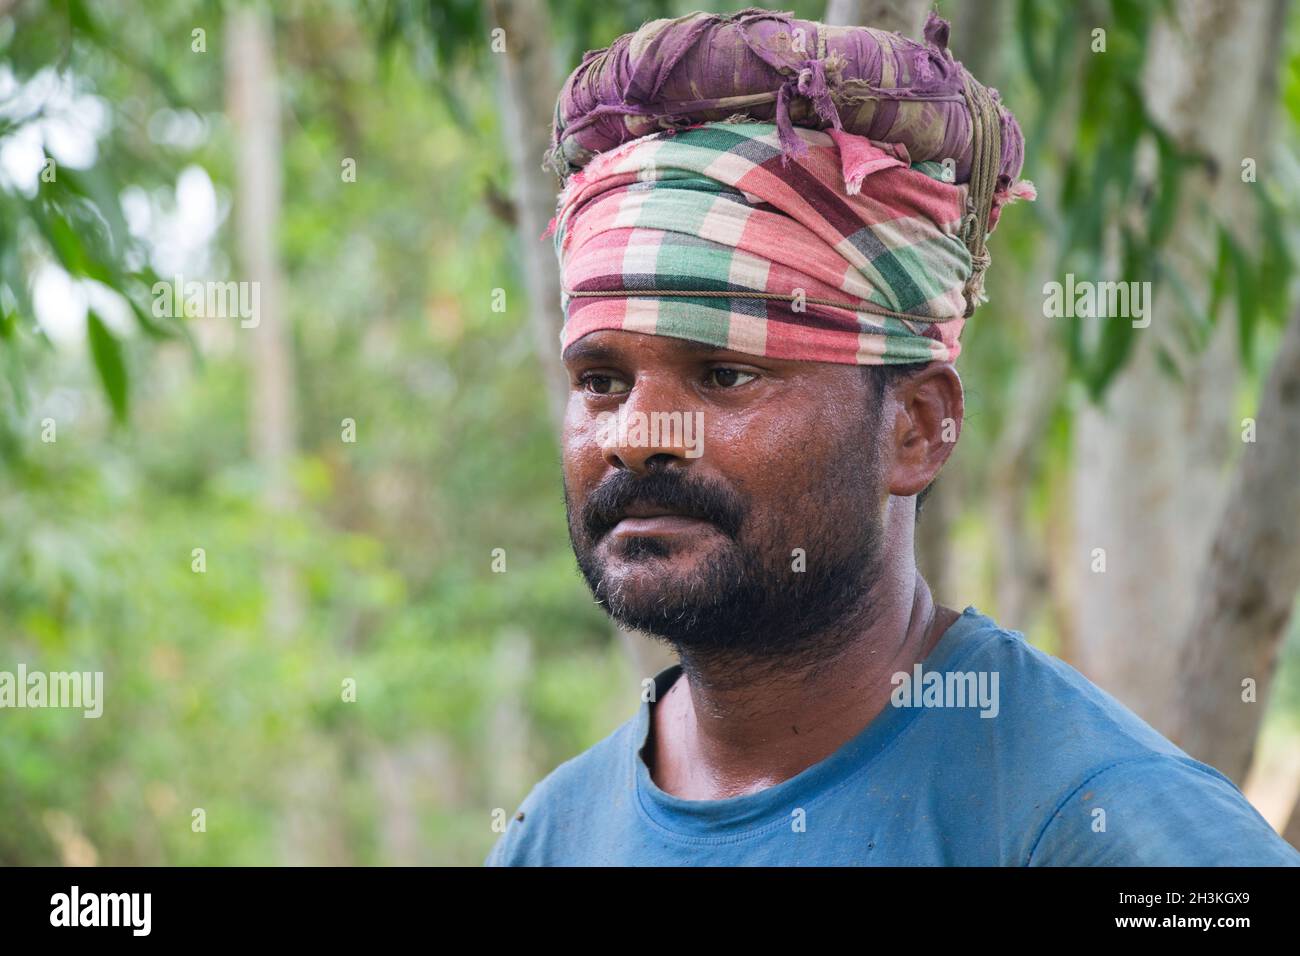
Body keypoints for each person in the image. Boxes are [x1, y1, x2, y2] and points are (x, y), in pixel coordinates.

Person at [485, 9, 1300, 866]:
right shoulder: (555, 835)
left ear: (916, 428)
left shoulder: (1108, 829)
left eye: (725, 374)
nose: (640, 435)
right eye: (602, 381)